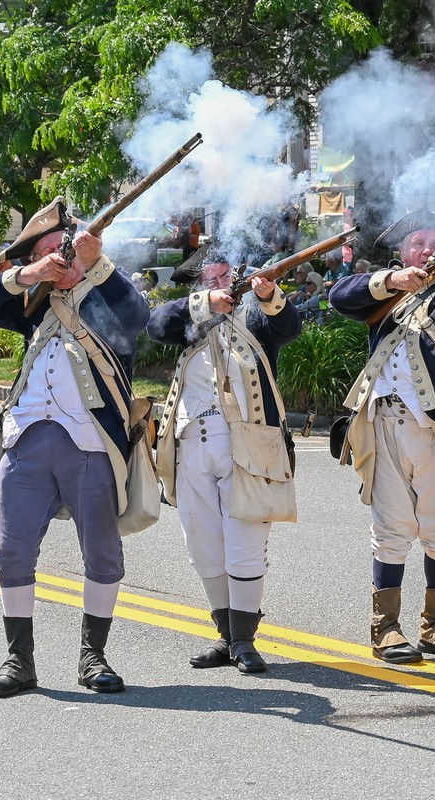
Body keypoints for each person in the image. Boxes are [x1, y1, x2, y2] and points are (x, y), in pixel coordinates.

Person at [0, 197, 151, 698]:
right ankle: (19, 661)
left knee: (102, 554)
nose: (59, 259)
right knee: (11, 551)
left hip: (91, 444)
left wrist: (98, 265)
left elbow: (138, 319)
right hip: (25, 441)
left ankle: (94, 657)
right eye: (48, 253)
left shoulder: (103, 296)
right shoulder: (30, 302)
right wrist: (28, 276)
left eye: (63, 250)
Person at [328, 209, 435, 664]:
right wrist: (392, 282)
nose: (424, 249)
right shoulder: (388, 290)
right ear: (403, 254)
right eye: (415, 243)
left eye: (432, 242)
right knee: (392, 530)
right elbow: (340, 297)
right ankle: (386, 629)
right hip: (383, 427)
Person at [147, 252, 301, 675]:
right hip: (190, 446)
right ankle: (225, 635)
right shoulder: (188, 323)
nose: (221, 284)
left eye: (225, 276)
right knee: (203, 547)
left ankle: (244, 641)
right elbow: (155, 324)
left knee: (244, 545)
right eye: (210, 279)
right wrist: (205, 306)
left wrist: (270, 295)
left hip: (247, 447)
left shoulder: (255, 319)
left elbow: (290, 328)